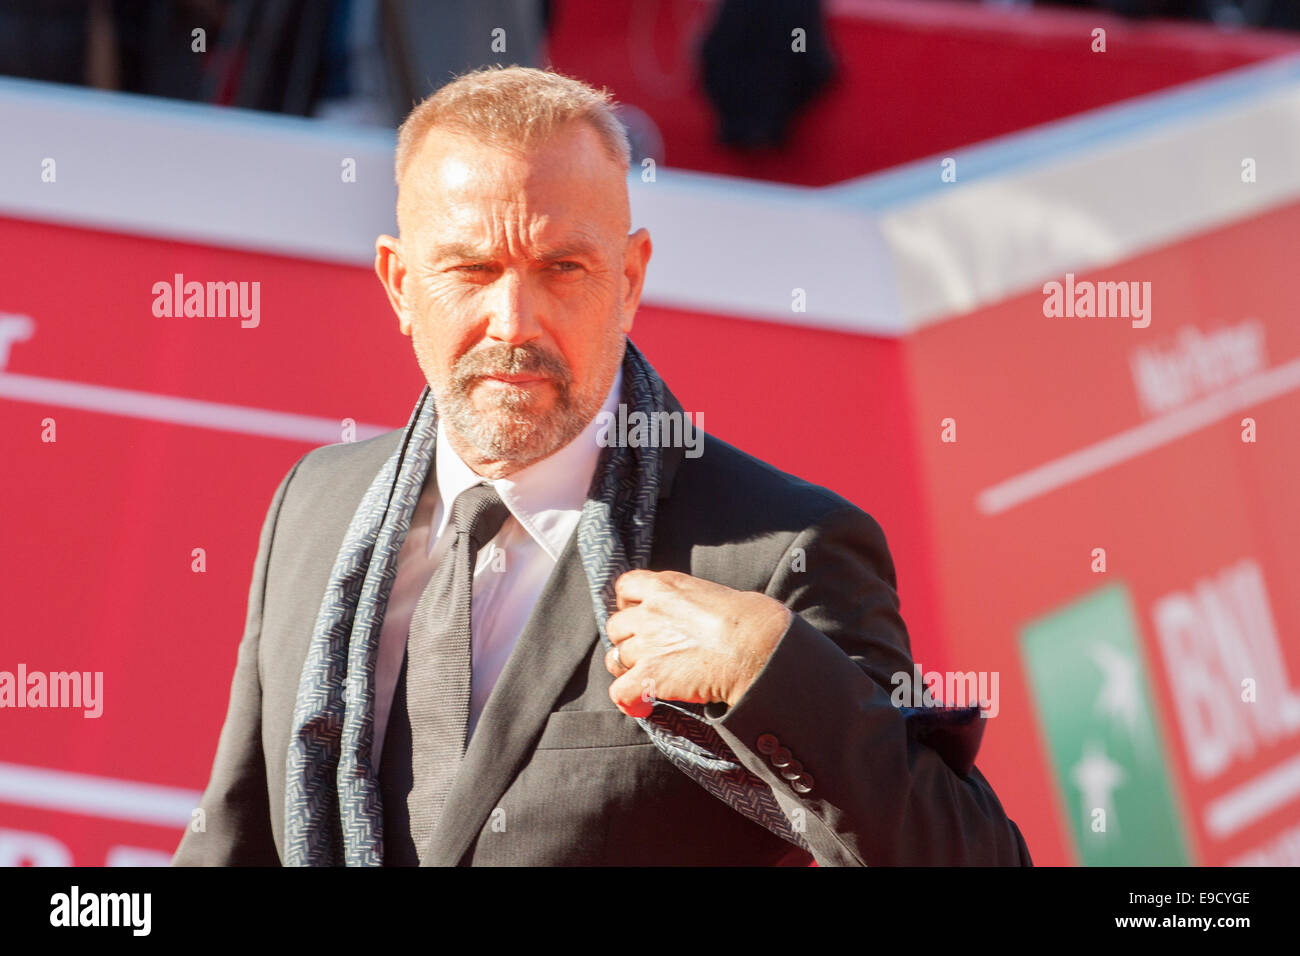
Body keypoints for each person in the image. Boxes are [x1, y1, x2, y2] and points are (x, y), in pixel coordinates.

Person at [172, 65, 1031, 867]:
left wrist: (773, 671)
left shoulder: (778, 552)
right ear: (400, 285)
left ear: (629, 278)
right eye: (471, 270)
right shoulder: (316, 504)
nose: (513, 322)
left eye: (562, 269)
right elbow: (233, 838)